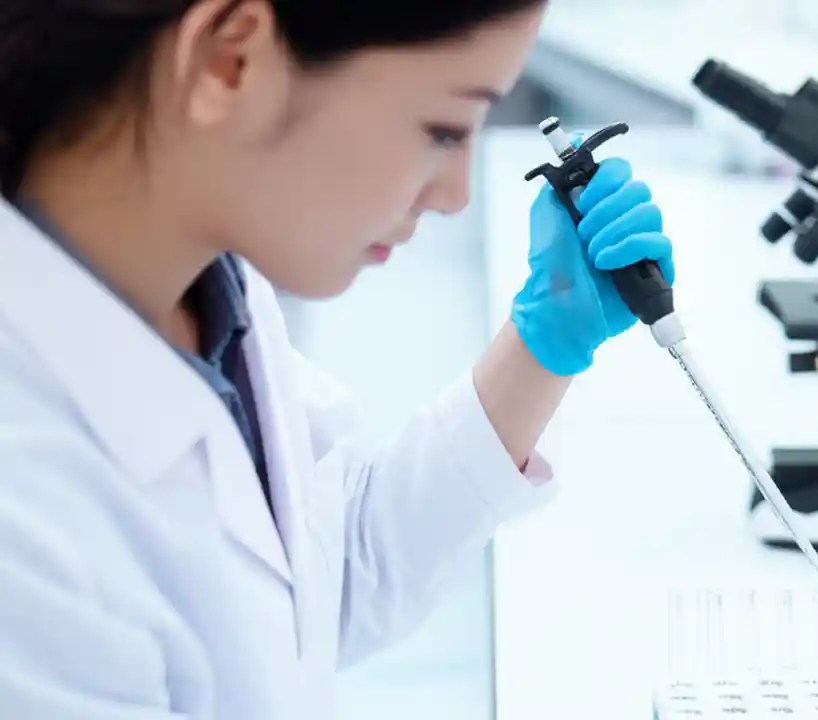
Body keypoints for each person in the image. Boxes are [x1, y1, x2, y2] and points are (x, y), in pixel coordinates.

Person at [0, 1, 674, 717]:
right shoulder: (26, 521)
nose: (456, 195)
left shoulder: (204, 285)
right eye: (443, 129)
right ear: (233, 63)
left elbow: (309, 589)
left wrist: (544, 344)